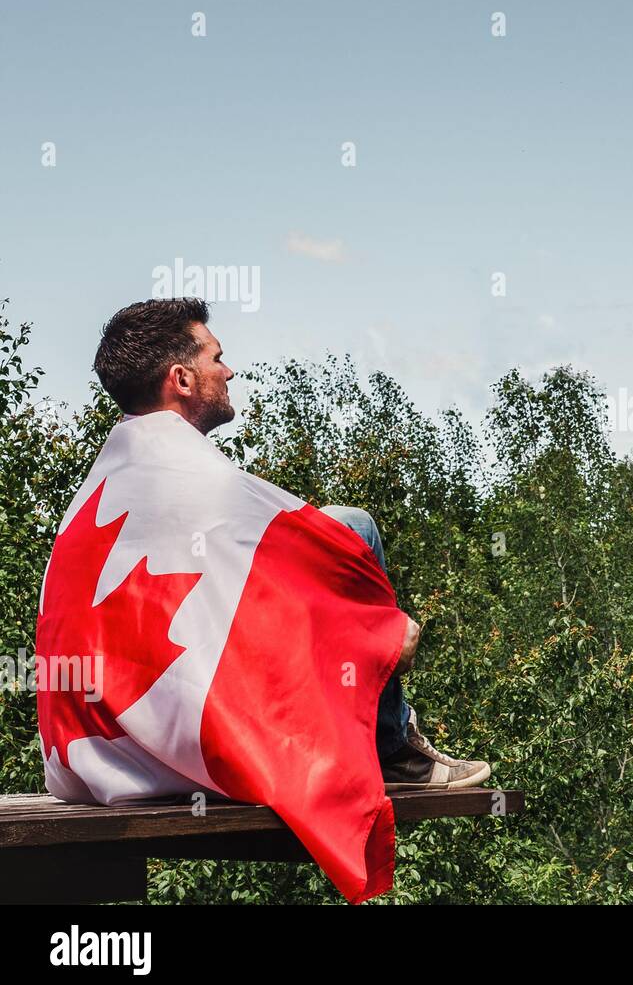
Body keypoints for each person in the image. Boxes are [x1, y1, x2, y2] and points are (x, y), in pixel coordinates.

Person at [90, 297, 489, 791]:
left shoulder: (107, 481)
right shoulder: (203, 481)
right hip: (186, 734)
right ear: (183, 380)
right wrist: (377, 633)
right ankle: (390, 747)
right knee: (352, 527)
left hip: (102, 747)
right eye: (216, 358)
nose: (229, 371)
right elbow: (302, 547)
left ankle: (384, 737)